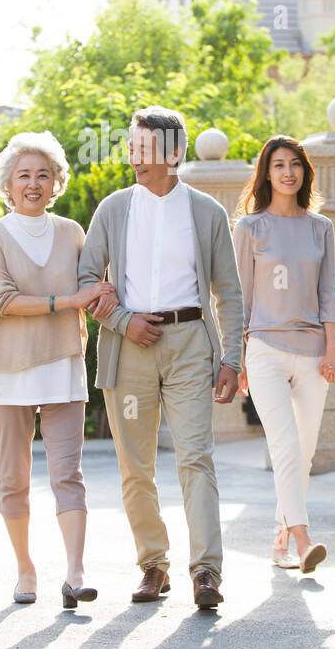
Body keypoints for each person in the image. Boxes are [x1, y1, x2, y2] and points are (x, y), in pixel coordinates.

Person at [78, 106, 243, 609]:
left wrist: (231, 358)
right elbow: (86, 281)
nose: (134, 157)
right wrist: (124, 321)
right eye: (131, 147)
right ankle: (154, 564)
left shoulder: (207, 212)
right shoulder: (112, 209)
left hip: (191, 343)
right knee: (136, 464)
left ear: (175, 153)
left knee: (196, 457)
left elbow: (229, 292)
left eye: (145, 149)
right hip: (129, 347)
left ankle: (206, 572)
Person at [0, 132, 114, 608]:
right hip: (9, 367)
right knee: (13, 476)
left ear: (56, 182)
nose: (33, 184)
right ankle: (25, 569)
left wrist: (103, 297)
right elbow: (0, 299)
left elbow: (94, 288)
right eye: (24, 176)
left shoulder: (73, 232)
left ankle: (75, 572)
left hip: (63, 363)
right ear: (8, 185)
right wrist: (68, 301)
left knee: (67, 473)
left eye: (43, 175)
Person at [232, 135, 335, 574]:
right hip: (264, 350)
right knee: (284, 446)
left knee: (306, 451)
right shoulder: (249, 228)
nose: (288, 172)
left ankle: (280, 534)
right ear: (266, 173)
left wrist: (332, 348)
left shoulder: (321, 228)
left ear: (304, 171)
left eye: (295, 164)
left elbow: (328, 292)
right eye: (278, 165)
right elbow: (238, 296)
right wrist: (236, 358)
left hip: (313, 352)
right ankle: (302, 539)